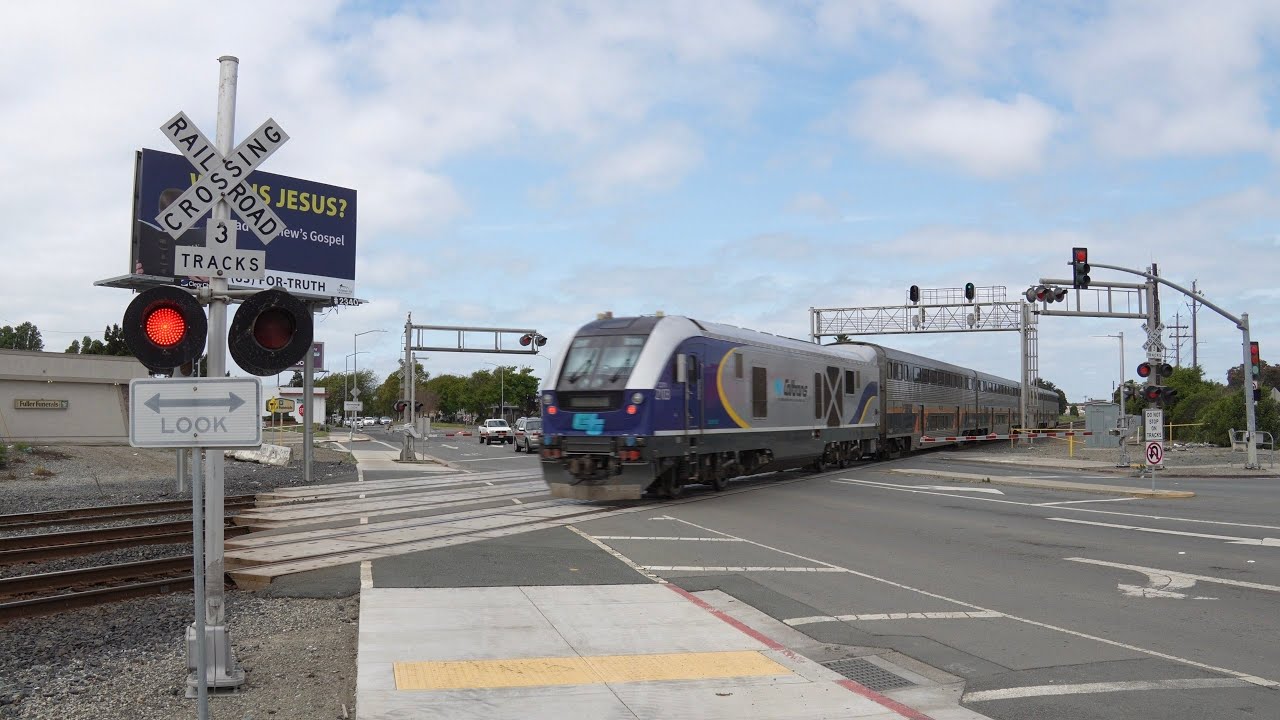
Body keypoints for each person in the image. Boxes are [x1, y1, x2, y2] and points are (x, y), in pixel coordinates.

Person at [133, 187, 205, 277]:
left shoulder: (207, 238)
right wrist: (135, 270)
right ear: (161, 214)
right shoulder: (140, 235)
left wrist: (211, 276)